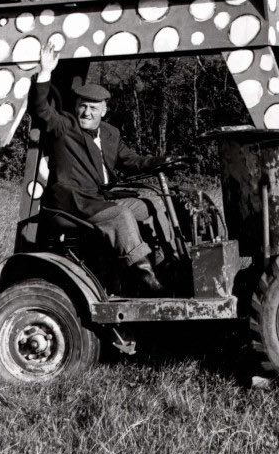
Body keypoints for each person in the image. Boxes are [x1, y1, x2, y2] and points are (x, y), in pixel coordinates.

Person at [32, 38, 174, 294]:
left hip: (101, 198)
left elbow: (131, 161)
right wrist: (45, 72)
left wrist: (161, 161)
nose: (86, 113)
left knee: (151, 203)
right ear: (76, 107)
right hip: (74, 203)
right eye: (82, 106)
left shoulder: (110, 133)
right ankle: (146, 279)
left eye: (93, 108)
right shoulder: (65, 126)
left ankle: (167, 261)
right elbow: (41, 110)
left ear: (104, 110)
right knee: (121, 215)